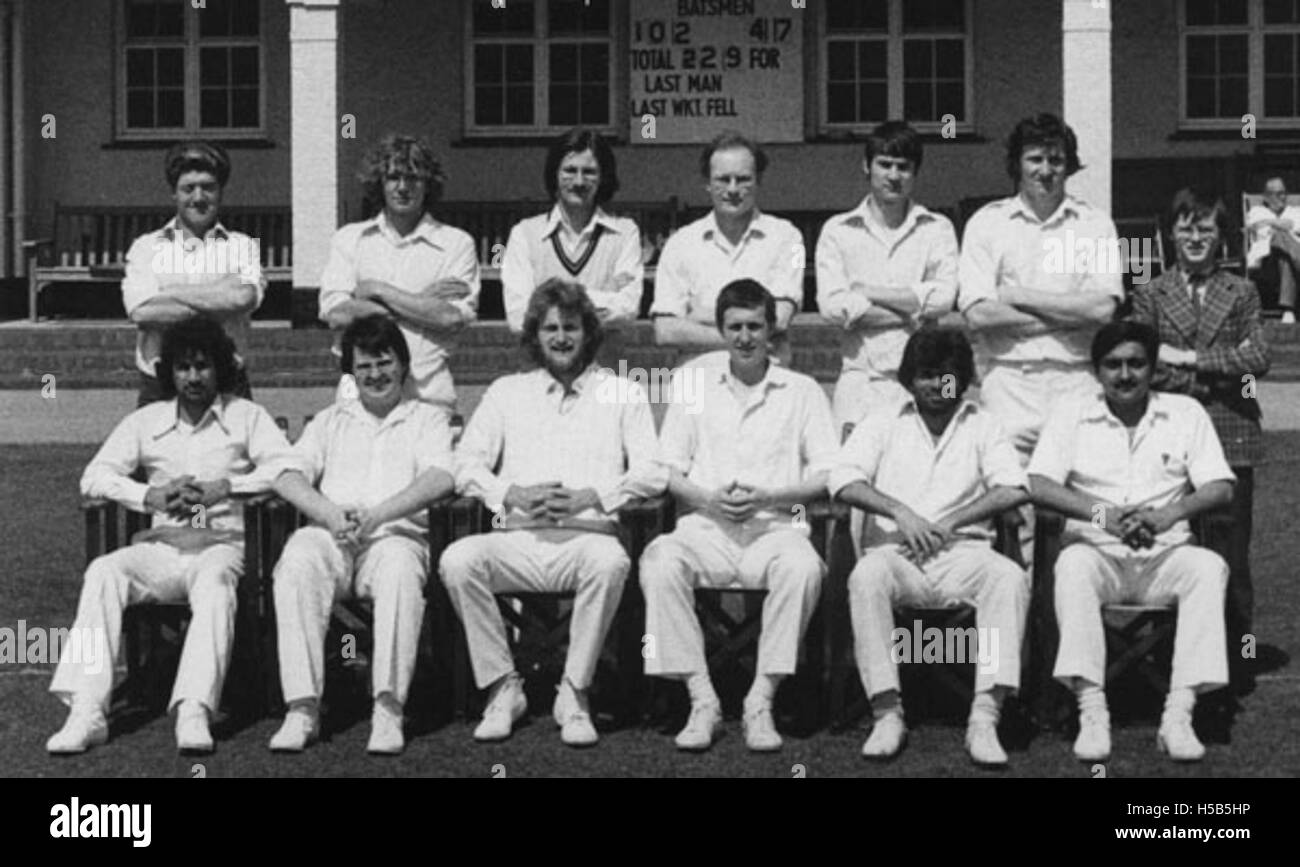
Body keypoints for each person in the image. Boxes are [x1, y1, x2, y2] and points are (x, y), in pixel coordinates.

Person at [47, 316, 293, 755]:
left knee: (216, 582)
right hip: (162, 548)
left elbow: (288, 468)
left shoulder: (246, 415)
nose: (193, 377)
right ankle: (87, 710)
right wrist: (151, 496)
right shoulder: (146, 420)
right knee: (104, 571)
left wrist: (228, 487)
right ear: (170, 373)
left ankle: (194, 708)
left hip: (222, 546)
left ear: (220, 368)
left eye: (203, 366)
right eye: (183, 367)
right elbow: (95, 476)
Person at [440, 278, 665, 747]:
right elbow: (464, 464)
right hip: (519, 536)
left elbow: (653, 471)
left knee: (610, 563)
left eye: (571, 327)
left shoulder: (623, 391)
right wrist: (510, 493)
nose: (561, 338)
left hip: (589, 537)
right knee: (458, 560)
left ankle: (575, 691)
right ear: (535, 336)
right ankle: (504, 687)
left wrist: (593, 495)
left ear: (589, 332)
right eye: (550, 329)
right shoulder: (506, 392)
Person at [640, 279, 838, 753]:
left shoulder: (802, 390)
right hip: (706, 529)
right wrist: (707, 500)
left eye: (755, 326)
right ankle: (701, 698)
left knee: (805, 567)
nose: (745, 337)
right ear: (721, 330)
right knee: (659, 559)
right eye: (735, 327)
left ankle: (760, 699)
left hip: (775, 530)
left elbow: (828, 473)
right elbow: (668, 470)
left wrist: (771, 497)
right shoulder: (692, 384)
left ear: (771, 331)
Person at [1028, 321, 1234, 763]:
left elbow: (1220, 486)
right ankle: (1091, 710)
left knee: (1208, 567)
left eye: (1136, 364)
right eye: (1113, 365)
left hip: (1165, 557)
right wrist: (1107, 517)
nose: (1125, 375)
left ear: (1153, 369)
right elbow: (1040, 484)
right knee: (1072, 566)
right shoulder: (1071, 412)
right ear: (1096, 371)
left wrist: (1164, 517)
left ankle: (1179, 713)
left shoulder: (1185, 412)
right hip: (1098, 554)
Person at [831, 328, 1029, 766]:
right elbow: (842, 478)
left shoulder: (984, 422)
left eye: (949, 376)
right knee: (866, 576)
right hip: (897, 555)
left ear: (963, 378)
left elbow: (1014, 487)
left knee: (1009, 577)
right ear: (908, 378)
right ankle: (886, 712)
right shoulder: (883, 419)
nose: (939, 386)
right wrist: (901, 512)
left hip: (965, 554)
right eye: (927, 375)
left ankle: (985, 715)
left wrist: (952, 521)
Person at [266, 316, 455, 755]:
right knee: (296, 560)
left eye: (384, 363)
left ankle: (388, 709)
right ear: (351, 374)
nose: (375, 375)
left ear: (403, 365)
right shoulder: (330, 421)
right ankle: (303, 708)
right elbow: (287, 476)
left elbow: (441, 478)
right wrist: (330, 515)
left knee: (399, 573)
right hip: (332, 538)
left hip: (394, 538)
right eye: (364, 366)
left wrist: (377, 516)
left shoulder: (427, 418)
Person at [957, 113, 1123, 560]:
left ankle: (1076, 625)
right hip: (1008, 385)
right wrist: (1066, 312)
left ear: (1069, 165)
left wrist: (1018, 295)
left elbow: (1104, 308)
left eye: (1056, 159)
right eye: (1035, 159)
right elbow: (978, 314)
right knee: (1014, 520)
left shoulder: (1094, 224)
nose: (1046, 169)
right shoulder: (987, 223)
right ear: (1017, 164)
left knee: (1082, 518)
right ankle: (1019, 627)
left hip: (1077, 382)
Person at [1128, 187, 1270, 694]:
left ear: (1221, 236)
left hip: (1231, 437)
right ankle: (1165, 656)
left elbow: (1256, 358)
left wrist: (1187, 360)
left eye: (1205, 228)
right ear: (1170, 233)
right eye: (1185, 227)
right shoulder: (1150, 291)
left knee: (1231, 554)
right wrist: (1208, 378)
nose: (1194, 237)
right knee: (1173, 547)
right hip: (1168, 435)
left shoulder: (1243, 292)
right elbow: (1143, 365)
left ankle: (1232, 661)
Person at [318, 134, 480, 417]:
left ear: (428, 184)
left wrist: (376, 290)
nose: (403, 187)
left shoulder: (456, 243)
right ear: (380, 183)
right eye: (394, 177)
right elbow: (337, 315)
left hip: (429, 399)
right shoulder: (349, 239)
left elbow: (450, 318)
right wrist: (421, 302)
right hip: (357, 399)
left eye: (413, 178)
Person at [815, 120, 959, 432]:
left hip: (925, 380)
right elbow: (832, 307)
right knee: (851, 475)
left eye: (903, 167)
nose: (893, 176)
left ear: (915, 172)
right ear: (866, 166)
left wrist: (868, 292)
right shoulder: (838, 231)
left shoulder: (938, 228)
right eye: (885, 164)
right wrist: (913, 312)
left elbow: (944, 300)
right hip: (859, 382)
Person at [121, 141, 264, 406]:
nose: (198, 198)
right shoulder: (146, 247)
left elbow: (243, 299)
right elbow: (143, 312)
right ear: (174, 194)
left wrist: (170, 293)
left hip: (228, 385)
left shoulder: (242, 246)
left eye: (208, 188)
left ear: (221, 192)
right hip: (161, 387)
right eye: (188, 188)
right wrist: (220, 298)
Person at [650, 132, 804, 363]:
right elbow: (665, 330)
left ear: (759, 180)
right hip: (701, 384)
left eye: (743, 179)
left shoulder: (788, 239)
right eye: (723, 179)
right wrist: (748, 332)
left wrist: (697, 317)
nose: (732, 189)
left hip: (768, 381)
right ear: (707, 183)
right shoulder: (680, 244)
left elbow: (779, 319)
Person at [501, 128, 643, 336]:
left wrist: (546, 299)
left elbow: (628, 309)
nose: (579, 182)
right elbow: (518, 317)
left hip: (604, 367)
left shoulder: (624, 233)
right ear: (555, 174)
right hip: (542, 367)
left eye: (589, 172)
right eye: (569, 170)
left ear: (603, 177)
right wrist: (603, 297)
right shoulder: (524, 234)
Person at [1244, 176, 1299, 323]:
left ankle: (1288, 310)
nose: (1283, 197)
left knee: (1285, 256)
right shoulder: (1257, 211)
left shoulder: (1295, 211)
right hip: (1266, 263)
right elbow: (1255, 226)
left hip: (1288, 262)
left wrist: (1269, 222)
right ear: (1266, 197)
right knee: (1278, 237)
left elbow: (1292, 224)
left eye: (1284, 193)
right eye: (1277, 194)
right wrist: (1278, 225)